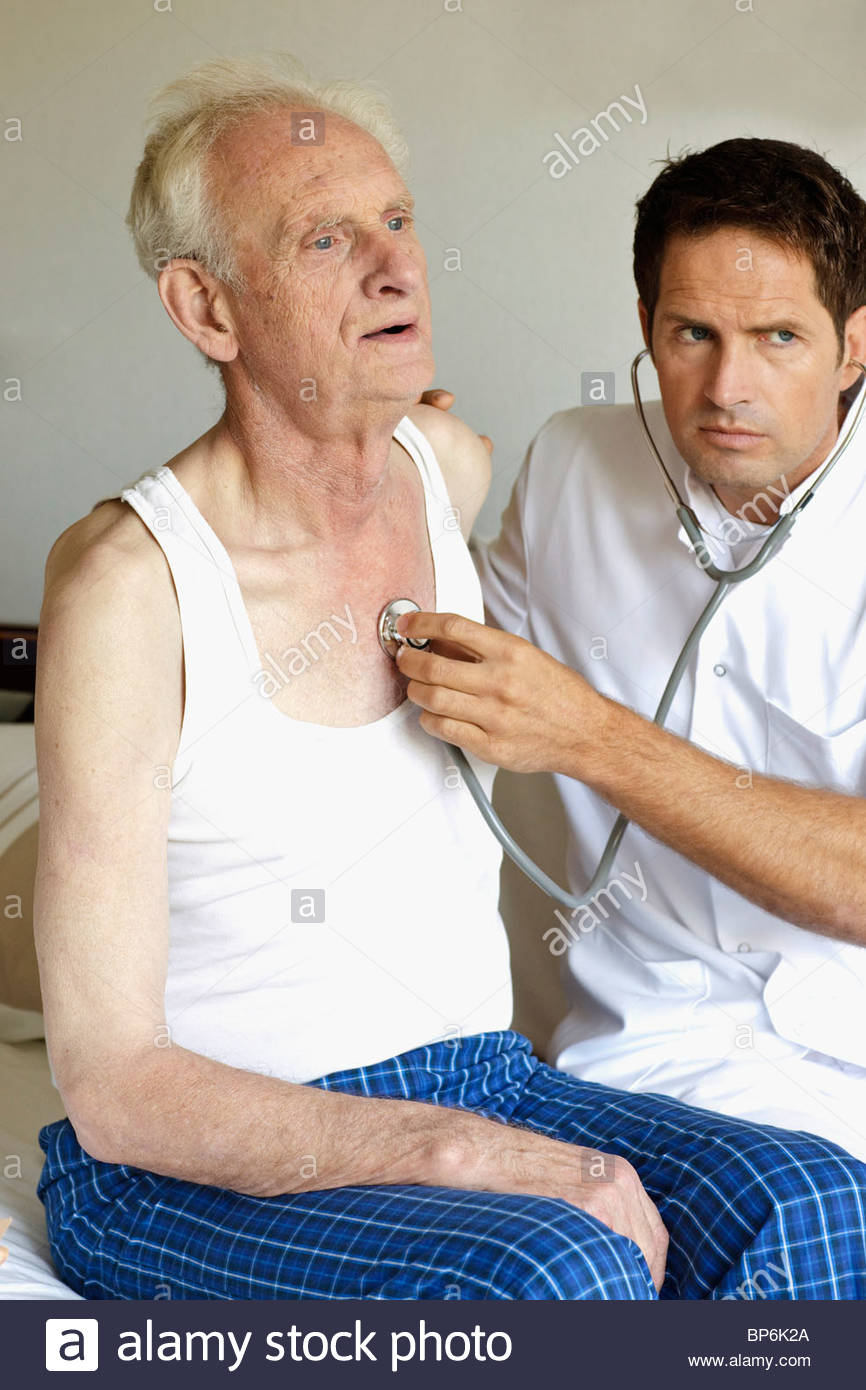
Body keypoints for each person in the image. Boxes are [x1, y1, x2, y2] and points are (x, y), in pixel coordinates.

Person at [33, 58, 866, 1301]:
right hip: (193, 1162)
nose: (395, 268)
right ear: (207, 310)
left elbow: (369, 444)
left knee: (816, 1206)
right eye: (326, 239)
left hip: (480, 1066)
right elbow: (112, 1088)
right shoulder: (126, 586)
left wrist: (477, 1121)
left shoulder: (445, 469)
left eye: (400, 221)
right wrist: (456, 1151)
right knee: (562, 1268)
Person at [400, 138, 866, 1163]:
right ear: (645, 329)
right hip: (628, 1071)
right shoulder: (573, 461)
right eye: (689, 332)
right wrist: (397, 494)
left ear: (851, 347)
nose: (724, 385)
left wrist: (589, 736)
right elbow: (441, 678)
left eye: (777, 336)